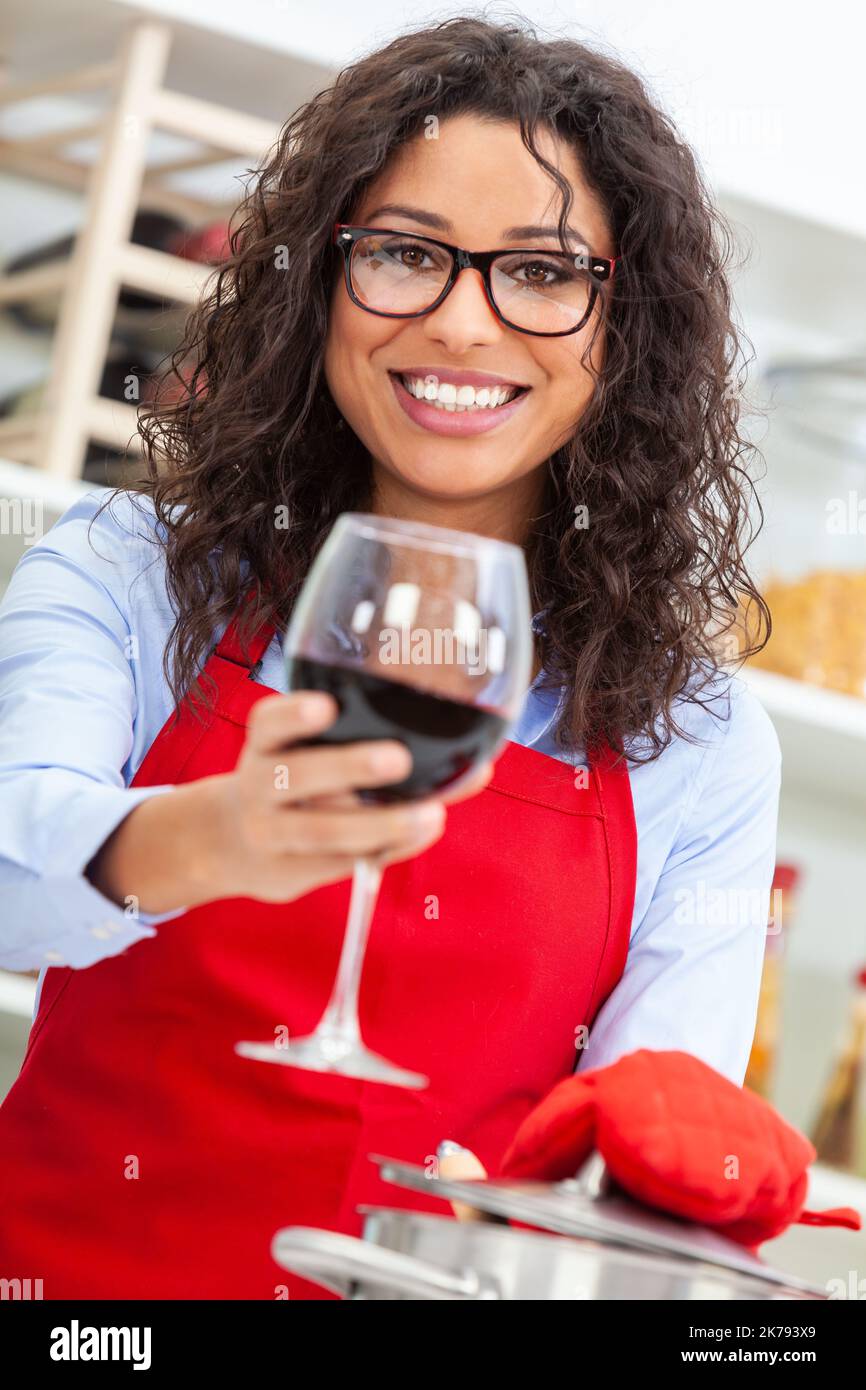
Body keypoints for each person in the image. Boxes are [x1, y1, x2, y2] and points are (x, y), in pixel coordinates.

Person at [0, 15, 780, 1298]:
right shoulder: (128, 568)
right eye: (405, 255)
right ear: (319, 283)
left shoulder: (692, 737)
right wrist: (212, 838)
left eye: (538, 272)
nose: (462, 325)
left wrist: (701, 1174)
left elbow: (644, 1142)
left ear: (621, 320)